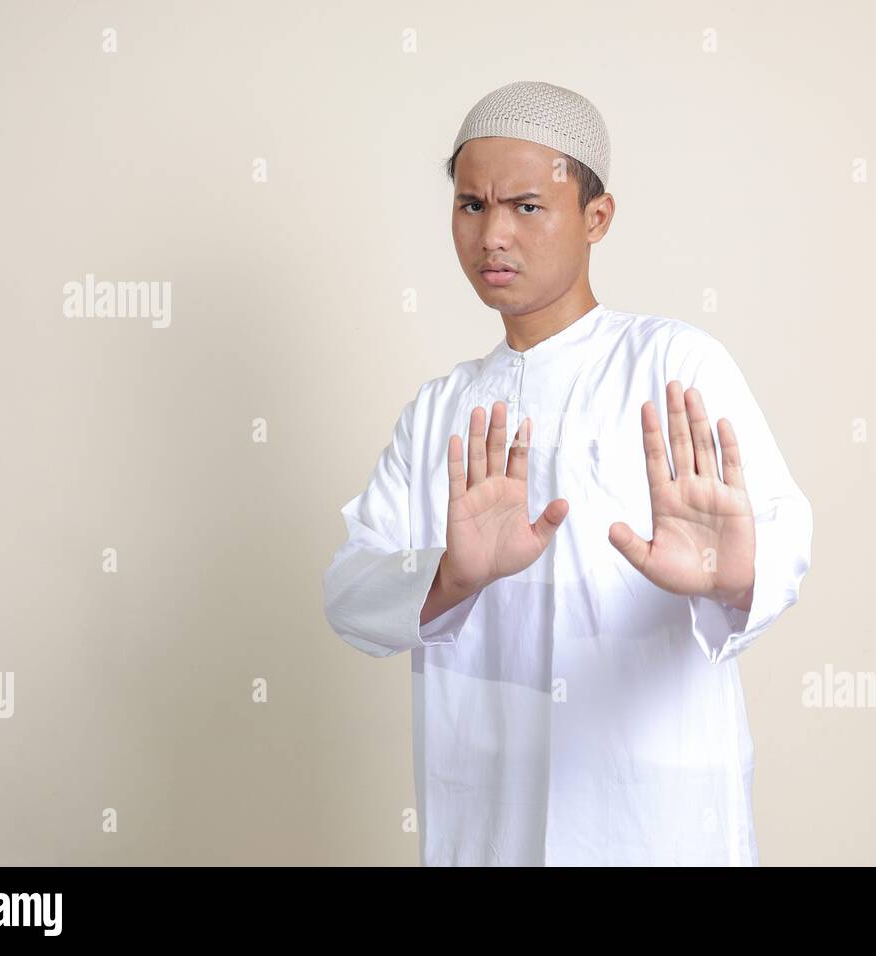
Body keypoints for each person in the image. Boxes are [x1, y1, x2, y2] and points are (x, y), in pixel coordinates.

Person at [322, 80, 814, 865]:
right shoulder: (442, 411)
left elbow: (784, 534)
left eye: (525, 205)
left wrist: (730, 574)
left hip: (655, 818)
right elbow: (349, 593)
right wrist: (450, 578)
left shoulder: (671, 364)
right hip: (489, 818)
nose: (492, 237)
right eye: (472, 206)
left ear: (596, 217)